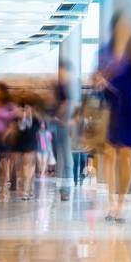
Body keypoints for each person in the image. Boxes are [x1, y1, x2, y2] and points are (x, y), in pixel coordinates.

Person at [95, 12, 131, 223]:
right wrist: (99, 81)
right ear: (115, 27)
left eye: (128, 26)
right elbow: (96, 80)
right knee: (109, 154)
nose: (124, 30)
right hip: (110, 106)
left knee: (127, 156)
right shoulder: (104, 52)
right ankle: (111, 202)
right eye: (122, 25)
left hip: (129, 107)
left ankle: (120, 203)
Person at [8, 101, 41, 200]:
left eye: (27, 109)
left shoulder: (35, 119)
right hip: (17, 145)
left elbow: (38, 128)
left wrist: (31, 117)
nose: (25, 111)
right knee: (19, 168)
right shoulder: (14, 119)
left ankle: (26, 190)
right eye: (22, 109)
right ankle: (26, 186)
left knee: (27, 167)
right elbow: (12, 131)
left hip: (30, 145)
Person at [52, 60, 75, 201]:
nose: (61, 74)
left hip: (64, 124)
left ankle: (66, 189)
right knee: (59, 153)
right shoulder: (59, 87)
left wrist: (58, 116)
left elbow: (68, 103)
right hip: (59, 124)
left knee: (66, 155)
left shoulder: (69, 86)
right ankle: (64, 188)